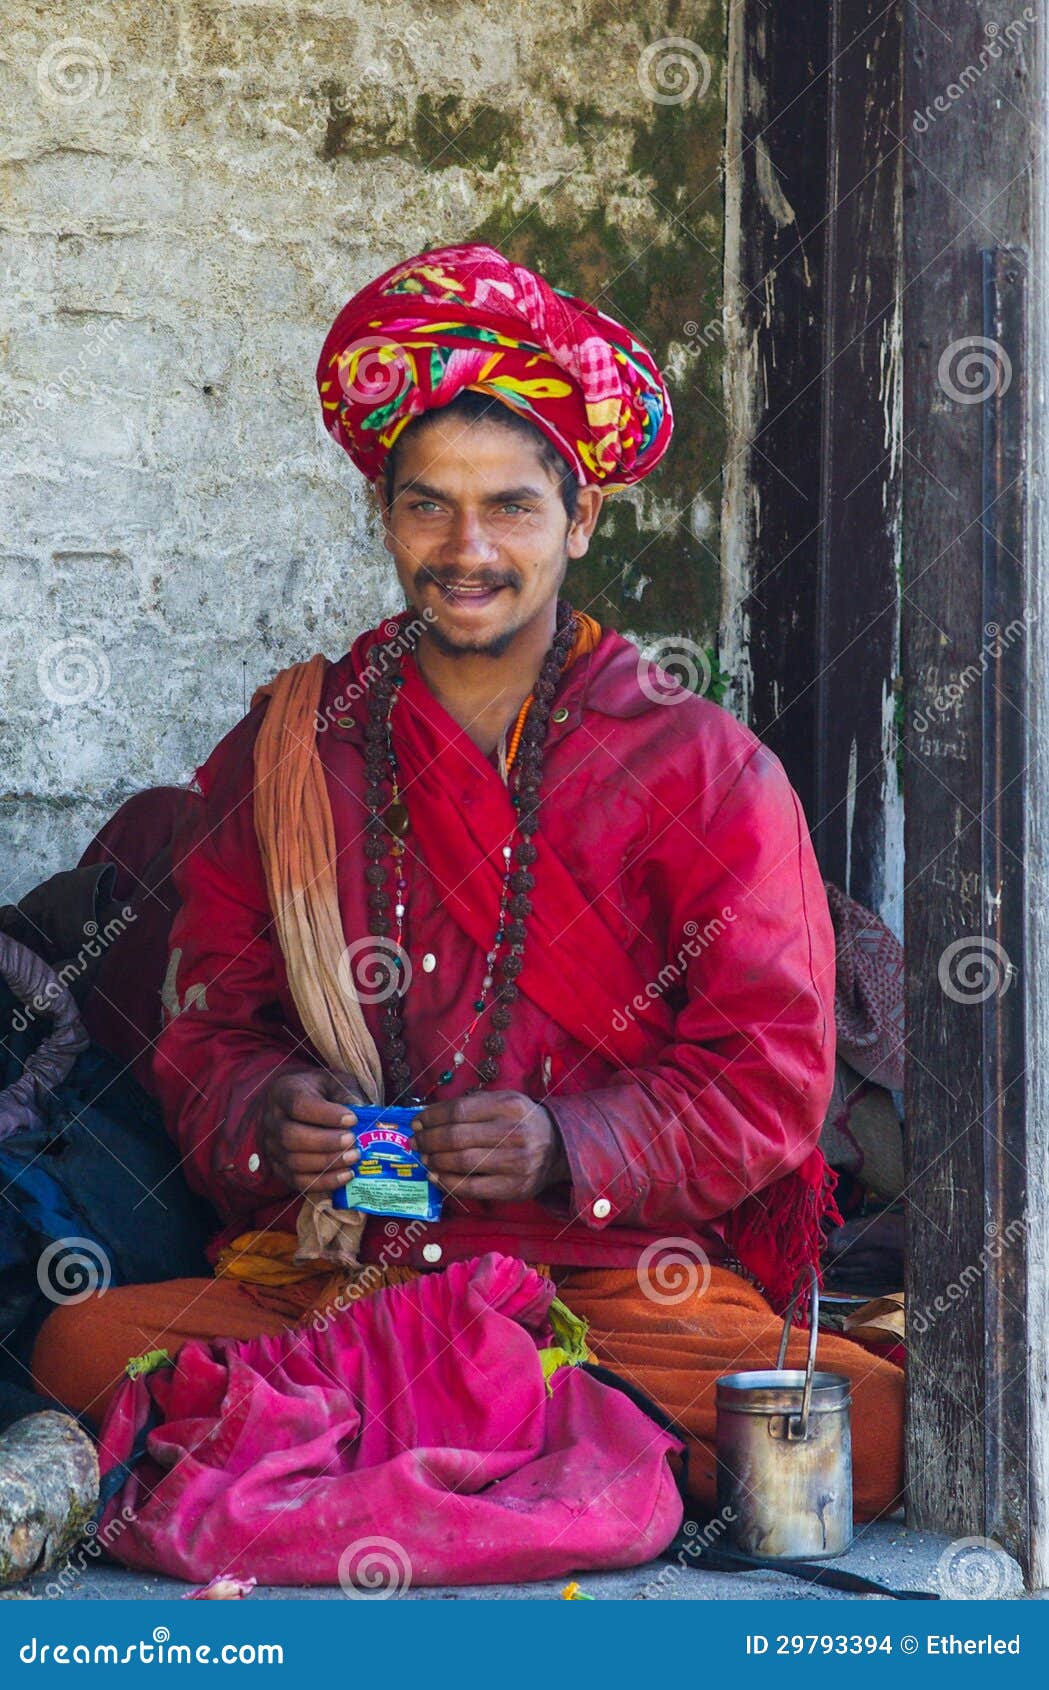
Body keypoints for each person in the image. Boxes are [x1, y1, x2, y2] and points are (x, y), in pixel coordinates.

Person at [32, 242, 903, 1521]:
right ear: (385, 517)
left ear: (581, 517)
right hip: (349, 1269)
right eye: (426, 504)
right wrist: (272, 1111)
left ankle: (377, 1447)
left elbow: (767, 1082)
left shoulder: (705, 770)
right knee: (78, 1347)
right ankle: (531, 1456)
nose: (466, 546)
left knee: (864, 1428)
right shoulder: (294, 746)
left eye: (511, 506)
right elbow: (207, 1031)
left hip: (608, 1290)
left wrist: (572, 1142)